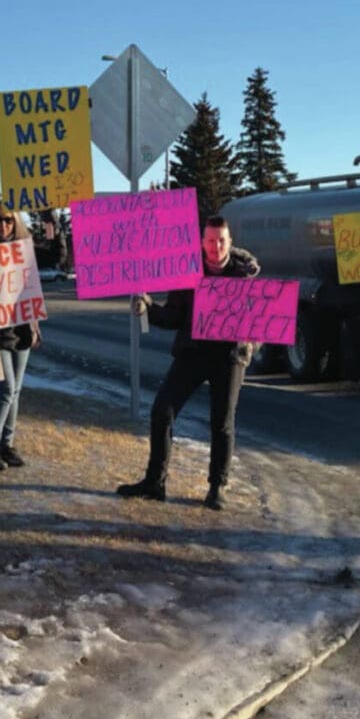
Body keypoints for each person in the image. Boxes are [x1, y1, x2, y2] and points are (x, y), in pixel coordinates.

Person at [117, 216, 258, 510]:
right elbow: (173, 317)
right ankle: (155, 482)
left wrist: (250, 343)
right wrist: (148, 308)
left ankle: (217, 487)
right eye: (209, 240)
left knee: (222, 423)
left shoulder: (245, 276)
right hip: (193, 352)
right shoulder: (188, 272)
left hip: (229, 358)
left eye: (221, 240)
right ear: (201, 242)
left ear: (230, 242)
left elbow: (262, 323)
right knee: (161, 411)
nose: (215, 246)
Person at [0, 204, 66, 472]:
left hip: (21, 332)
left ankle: (6, 446)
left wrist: (50, 219)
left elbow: (57, 254)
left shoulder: (25, 250)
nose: (4, 226)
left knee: (15, 392)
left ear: (16, 222)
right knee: (5, 390)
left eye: (9, 221)